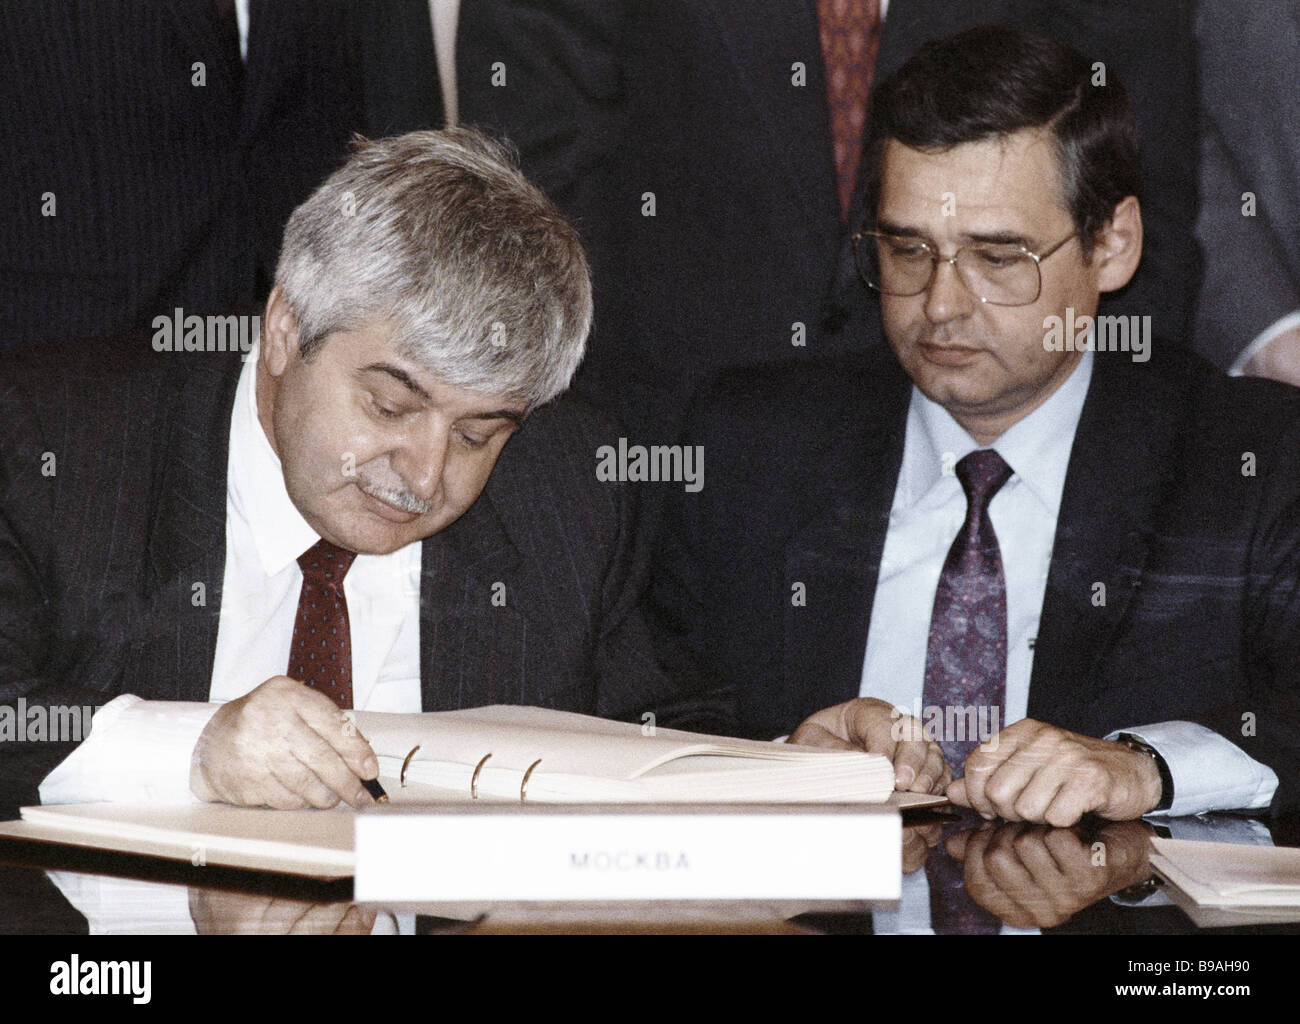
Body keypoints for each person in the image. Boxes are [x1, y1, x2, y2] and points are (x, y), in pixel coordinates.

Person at [651, 26, 1300, 827]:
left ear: (1113, 244)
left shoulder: (1250, 460)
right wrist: (779, 758)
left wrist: (1148, 766)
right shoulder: (750, 447)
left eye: (997, 258)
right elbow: (643, 717)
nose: (941, 305)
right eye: (907, 249)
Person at [0, 127, 739, 813]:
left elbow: (664, 736)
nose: (422, 476)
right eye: (389, 406)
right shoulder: (53, 444)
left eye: (476, 434)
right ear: (287, 330)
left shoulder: (569, 489)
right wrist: (191, 749)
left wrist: (795, 767)